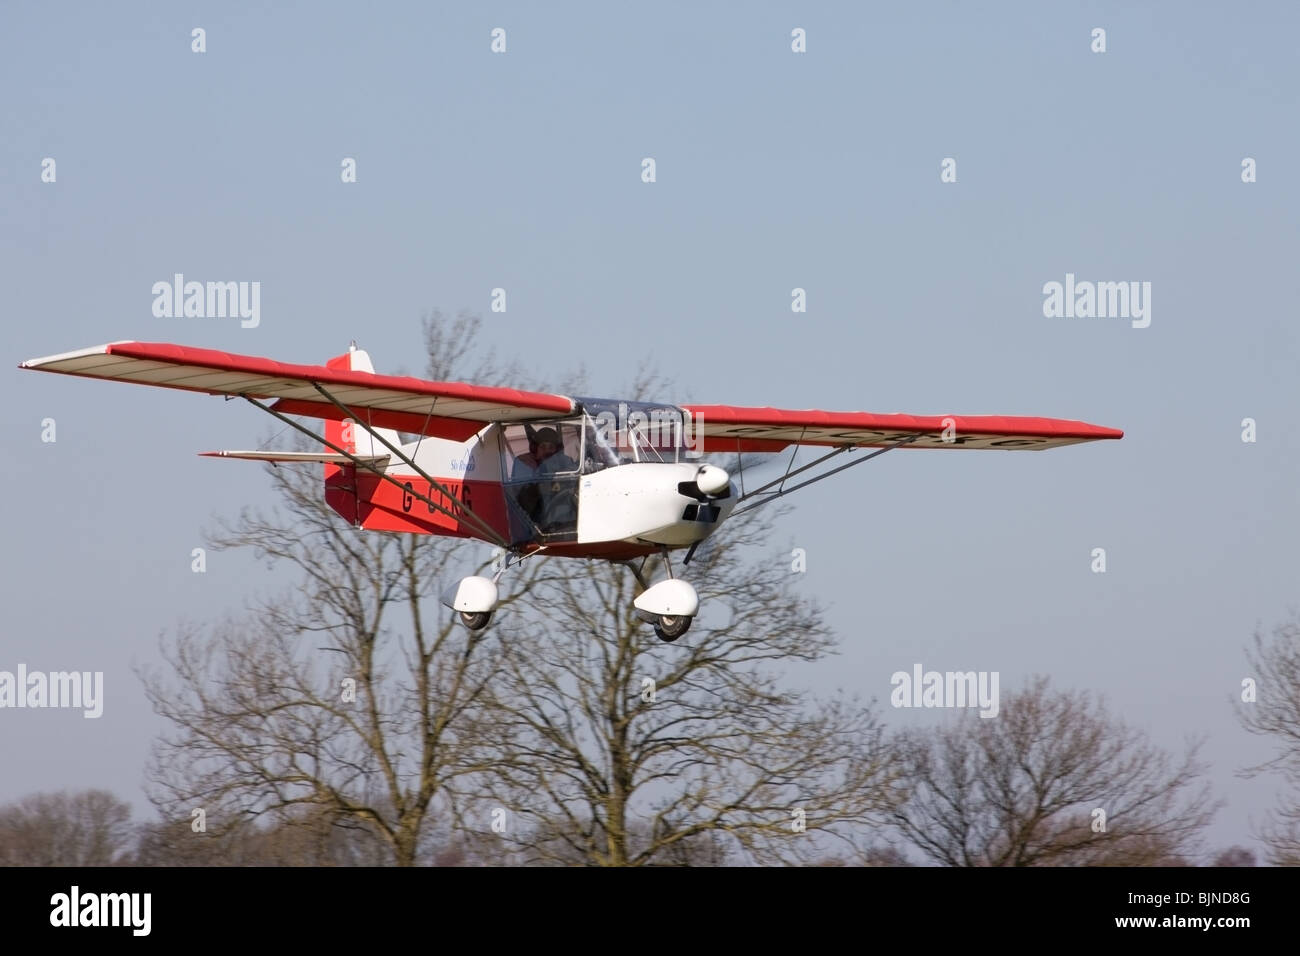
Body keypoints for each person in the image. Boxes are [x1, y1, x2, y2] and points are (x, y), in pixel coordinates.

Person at [531, 426, 578, 531]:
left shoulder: (567, 464)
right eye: (543, 447)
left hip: (570, 523)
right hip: (543, 529)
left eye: (551, 447)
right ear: (535, 450)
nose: (547, 452)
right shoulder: (530, 470)